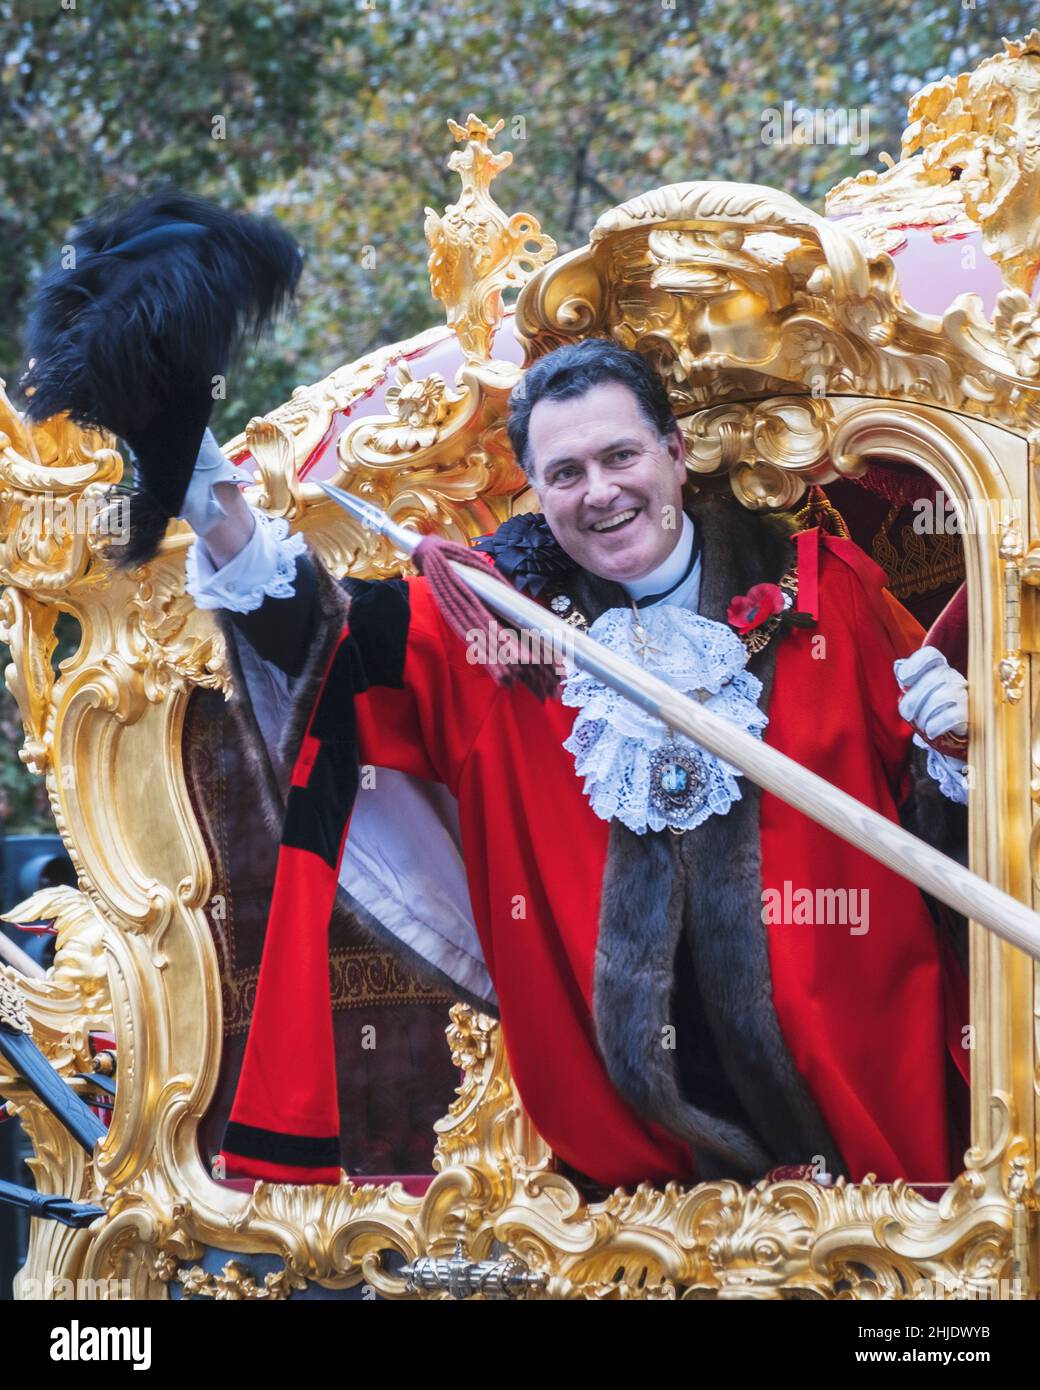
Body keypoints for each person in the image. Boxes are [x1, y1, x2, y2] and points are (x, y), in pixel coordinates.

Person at [183, 339, 971, 1192]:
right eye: (565, 473)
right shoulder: (490, 633)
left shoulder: (828, 594)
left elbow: (947, 828)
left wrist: (964, 744)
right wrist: (215, 508)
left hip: (879, 1142)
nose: (599, 492)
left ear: (673, 452)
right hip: (632, 1189)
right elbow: (318, 648)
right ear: (534, 489)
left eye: (621, 455)